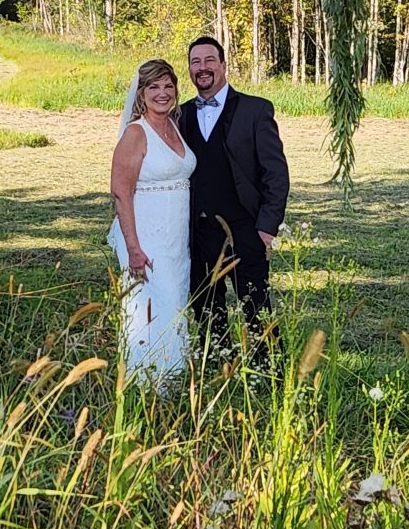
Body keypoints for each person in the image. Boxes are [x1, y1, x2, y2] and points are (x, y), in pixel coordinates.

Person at [180, 35, 289, 359]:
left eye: (209, 60)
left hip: (245, 228)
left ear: (224, 65)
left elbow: (276, 174)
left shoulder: (255, 110)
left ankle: (268, 370)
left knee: (256, 305)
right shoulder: (180, 115)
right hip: (198, 233)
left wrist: (266, 228)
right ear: (189, 68)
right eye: (195, 62)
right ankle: (218, 366)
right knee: (206, 308)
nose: (203, 68)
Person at [108, 58, 196, 379]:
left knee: (173, 304)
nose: (162, 93)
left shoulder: (173, 125)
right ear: (141, 93)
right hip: (145, 238)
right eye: (154, 87)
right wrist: (133, 248)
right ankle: (145, 382)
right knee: (147, 309)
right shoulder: (136, 133)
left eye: (168, 85)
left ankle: (172, 381)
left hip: (175, 240)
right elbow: (121, 192)